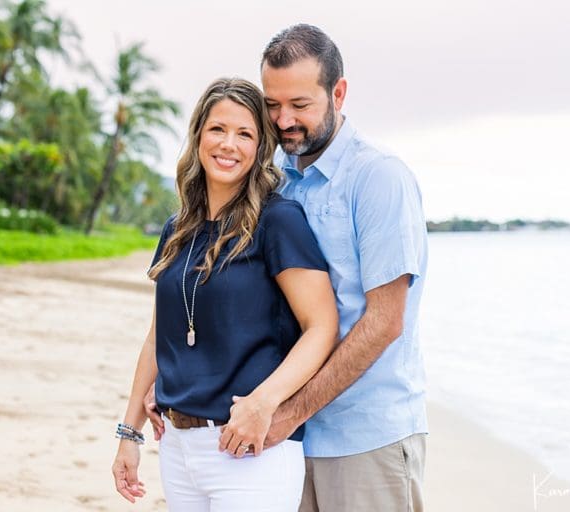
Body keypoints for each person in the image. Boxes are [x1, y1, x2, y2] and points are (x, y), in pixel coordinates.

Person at [111, 77, 339, 512]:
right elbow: (159, 334)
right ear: (199, 134)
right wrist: (130, 433)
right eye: (218, 129)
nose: (228, 144)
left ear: (260, 149)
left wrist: (264, 403)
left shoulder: (279, 221)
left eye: (245, 134)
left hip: (252, 453)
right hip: (178, 449)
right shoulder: (177, 229)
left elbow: (322, 326)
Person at [258, 24, 429, 511]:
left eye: (300, 104)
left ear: (338, 92)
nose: (284, 119)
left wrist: (291, 412)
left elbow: (384, 322)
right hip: (291, 441)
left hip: (366, 436)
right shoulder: (277, 180)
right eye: (272, 105)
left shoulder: (378, 178)